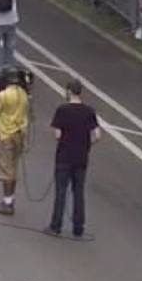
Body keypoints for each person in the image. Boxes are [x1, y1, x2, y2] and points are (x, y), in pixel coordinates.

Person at [46, 80, 101, 239]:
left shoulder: (62, 110)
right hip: (81, 157)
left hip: (64, 156)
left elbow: (58, 135)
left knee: (61, 191)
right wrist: (85, 144)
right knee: (78, 192)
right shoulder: (89, 111)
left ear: (69, 91)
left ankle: (56, 226)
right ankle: (78, 227)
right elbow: (98, 136)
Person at [0, 68, 31, 216]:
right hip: (19, 134)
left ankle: (7, 203)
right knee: (13, 169)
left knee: (7, 171)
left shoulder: (4, 95)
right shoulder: (24, 95)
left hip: (5, 134)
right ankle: (10, 199)